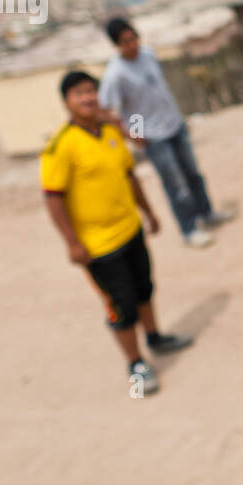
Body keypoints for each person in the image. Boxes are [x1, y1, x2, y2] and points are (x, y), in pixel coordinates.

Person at [41, 71, 194, 396]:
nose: (87, 98)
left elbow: (129, 175)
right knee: (119, 305)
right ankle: (136, 364)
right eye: (79, 94)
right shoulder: (60, 146)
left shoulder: (111, 132)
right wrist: (72, 243)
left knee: (144, 288)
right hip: (98, 247)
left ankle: (155, 337)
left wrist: (148, 212)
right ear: (66, 102)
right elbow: (53, 197)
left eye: (91, 92)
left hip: (130, 229)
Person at [99, 17, 226, 249]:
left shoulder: (148, 55)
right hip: (153, 135)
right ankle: (189, 229)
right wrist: (133, 134)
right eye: (126, 41)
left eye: (134, 38)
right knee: (175, 184)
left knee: (193, 174)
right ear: (116, 45)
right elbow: (109, 110)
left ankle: (206, 213)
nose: (133, 44)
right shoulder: (115, 74)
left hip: (174, 125)